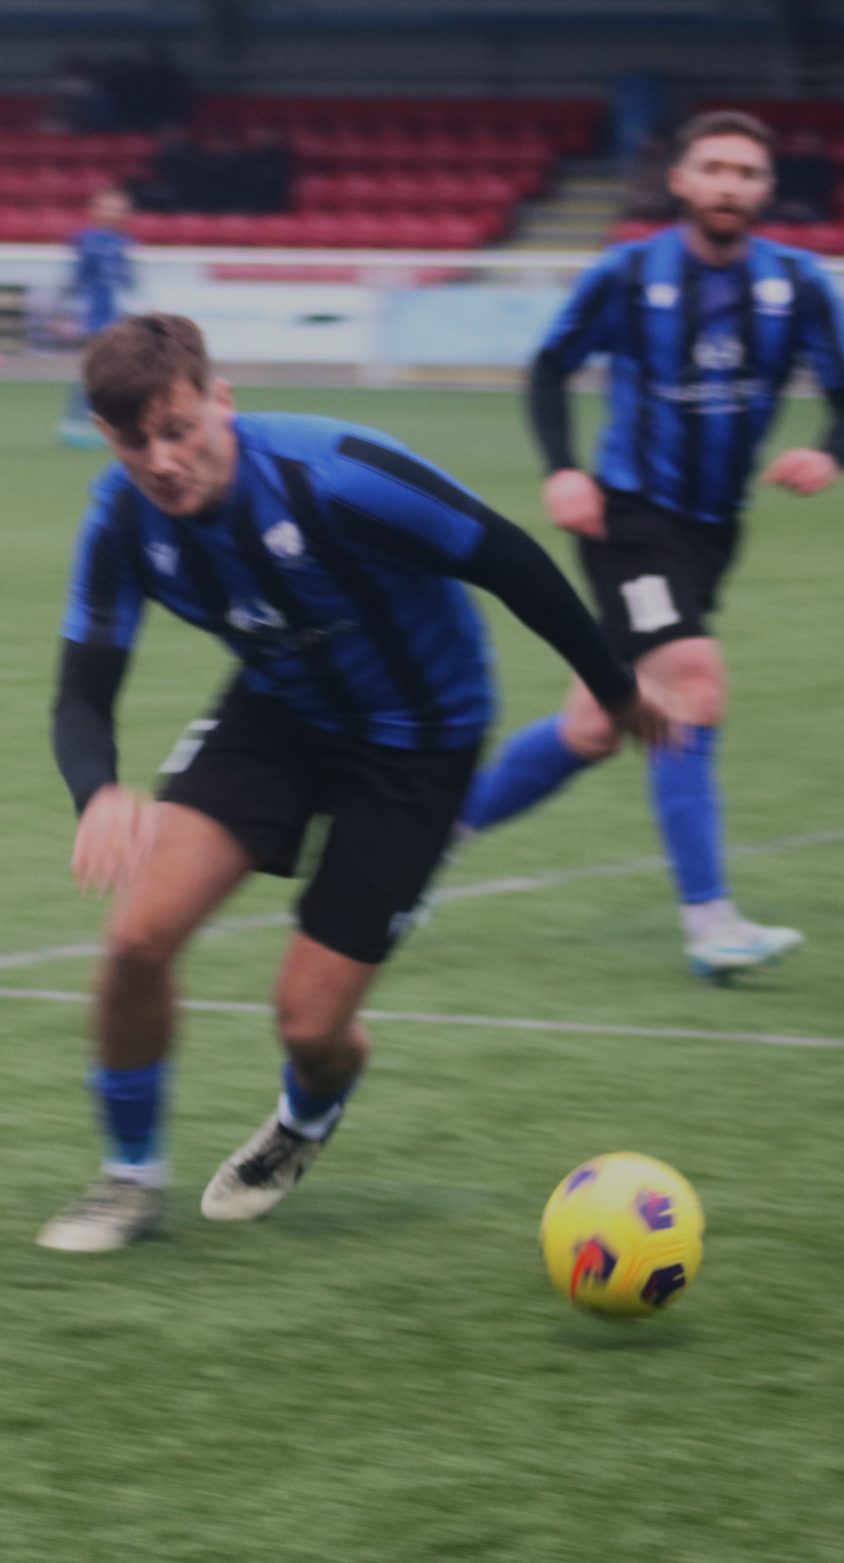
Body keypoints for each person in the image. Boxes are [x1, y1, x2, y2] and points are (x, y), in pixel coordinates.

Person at [35, 314, 676, 1253]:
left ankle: (307, 1116)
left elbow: (506, 555)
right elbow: (82, 694)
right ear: (105, 435)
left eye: (179, 429)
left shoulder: (335, 472)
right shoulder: (121, 520)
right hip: (278, 713)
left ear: (222, 402)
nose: (162, 460)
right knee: (135, 937)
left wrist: (616, 690)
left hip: (420, 740)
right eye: (135, 440)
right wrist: (97, 790)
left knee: (308, 1024)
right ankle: (130, 1178)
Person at [453, 110, 844, 979]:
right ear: (679, 180)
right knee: (692, 685)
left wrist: (830, 454)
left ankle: (421, 841)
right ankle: (710, 922)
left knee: (594, 727)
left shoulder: (797, 283)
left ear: (767, 189)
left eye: (746, 172)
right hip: (630, 517)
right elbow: (549, 367)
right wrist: (563, 469)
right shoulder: (629, 272)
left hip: (713, 532)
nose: (729, 184)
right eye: (713, 167)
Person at [57, 187, 137, 449]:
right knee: (94, 372)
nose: (113, 213)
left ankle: (106, 424)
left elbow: (128, 281)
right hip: (94, 317)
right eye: (107, 207)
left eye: (118, 208)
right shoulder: (87, 241)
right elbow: (75, 280)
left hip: (116, 317)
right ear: (95, 211)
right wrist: (67, 313)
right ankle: (76, 424)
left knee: (116, 373)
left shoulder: (125, 242)